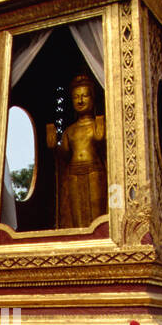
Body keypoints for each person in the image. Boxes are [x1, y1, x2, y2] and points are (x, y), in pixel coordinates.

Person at [46, 74, 107, 229]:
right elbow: (64, 155)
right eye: (76, 97)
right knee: (77, 213)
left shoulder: (97, 125)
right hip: (73, 172)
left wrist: (101, 135)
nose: (80, 100)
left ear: (93, 99)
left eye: (85, 96)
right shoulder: (70, 131)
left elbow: (105, 148)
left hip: (94, 170)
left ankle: (99, 239)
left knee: (96, 213)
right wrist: (54, 145)